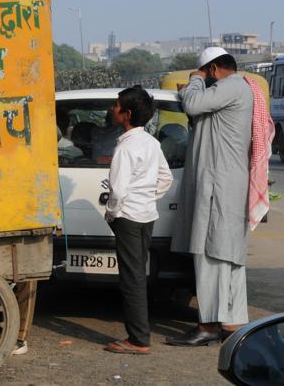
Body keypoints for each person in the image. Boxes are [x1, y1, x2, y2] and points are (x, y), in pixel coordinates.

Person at [167, 47, 253, 347]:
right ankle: (232, 323)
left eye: (205, 73)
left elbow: (191, 104)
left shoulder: (228, 87)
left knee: (210, 254)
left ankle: (208, 325)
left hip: (219, 183)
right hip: (225, 181)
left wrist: (194, 80)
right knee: (227, 256)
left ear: (213, 69)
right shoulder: (237, 89)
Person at [103, 86, 174, 355]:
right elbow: (166, 178)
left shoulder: (126, 147)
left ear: (127, 114)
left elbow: (118, 191)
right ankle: (139, 335)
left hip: (129, 217)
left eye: (117, 105)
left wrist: (112, 212)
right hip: (146, 215)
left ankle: (138, 339)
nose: (113, 108)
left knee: (131, 278)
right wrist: (146, 196)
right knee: (137, 275)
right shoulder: (151, 142)